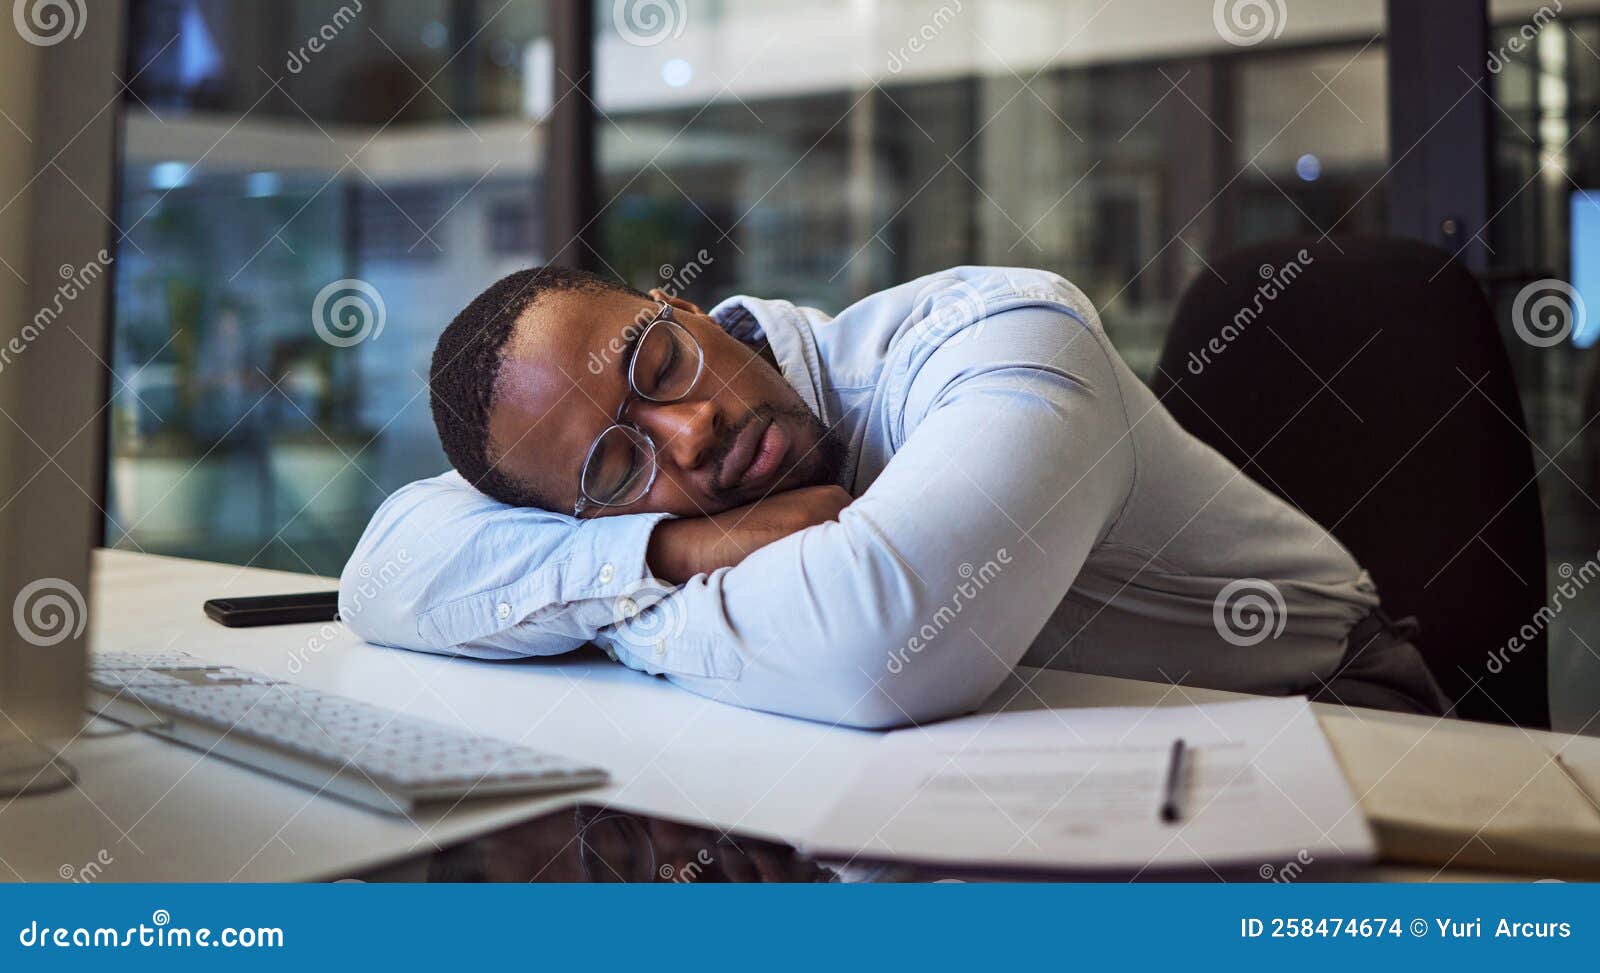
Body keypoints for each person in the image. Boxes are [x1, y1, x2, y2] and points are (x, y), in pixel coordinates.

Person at [340, 265, 1449, 727]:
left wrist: (593, 599)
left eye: (658, 364)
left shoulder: (1003, 334)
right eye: (617, 467)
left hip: (1321, 712)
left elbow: (874, 652)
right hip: (1024, 743)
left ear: (683, 307)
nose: (690, 430)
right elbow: (385, 571)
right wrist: (674, 555)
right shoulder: (643, 511)